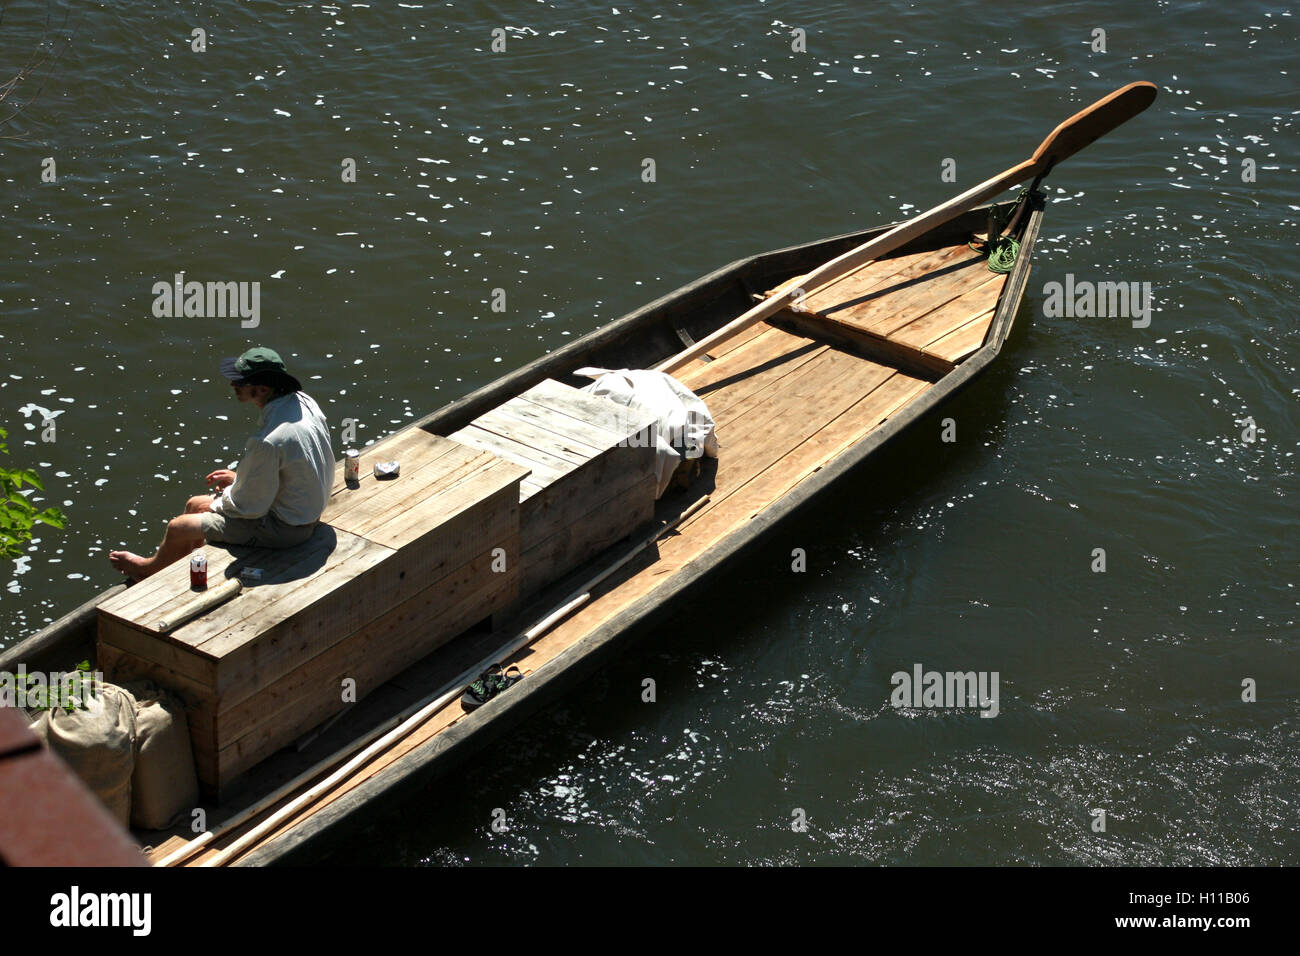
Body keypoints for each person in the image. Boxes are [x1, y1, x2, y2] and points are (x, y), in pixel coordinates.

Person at [109, 347, 334, 581]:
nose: (232, 386)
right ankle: (182, 565)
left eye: (239, 382)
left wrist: (227, 494)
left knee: (179, 527)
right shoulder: (304, 402)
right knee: (195, 504)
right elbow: (292, 468)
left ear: (263, 389)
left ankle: (147, 570)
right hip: (306, 509)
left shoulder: (267, 441)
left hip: (287, 530)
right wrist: (240, 480)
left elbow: (249, 507)